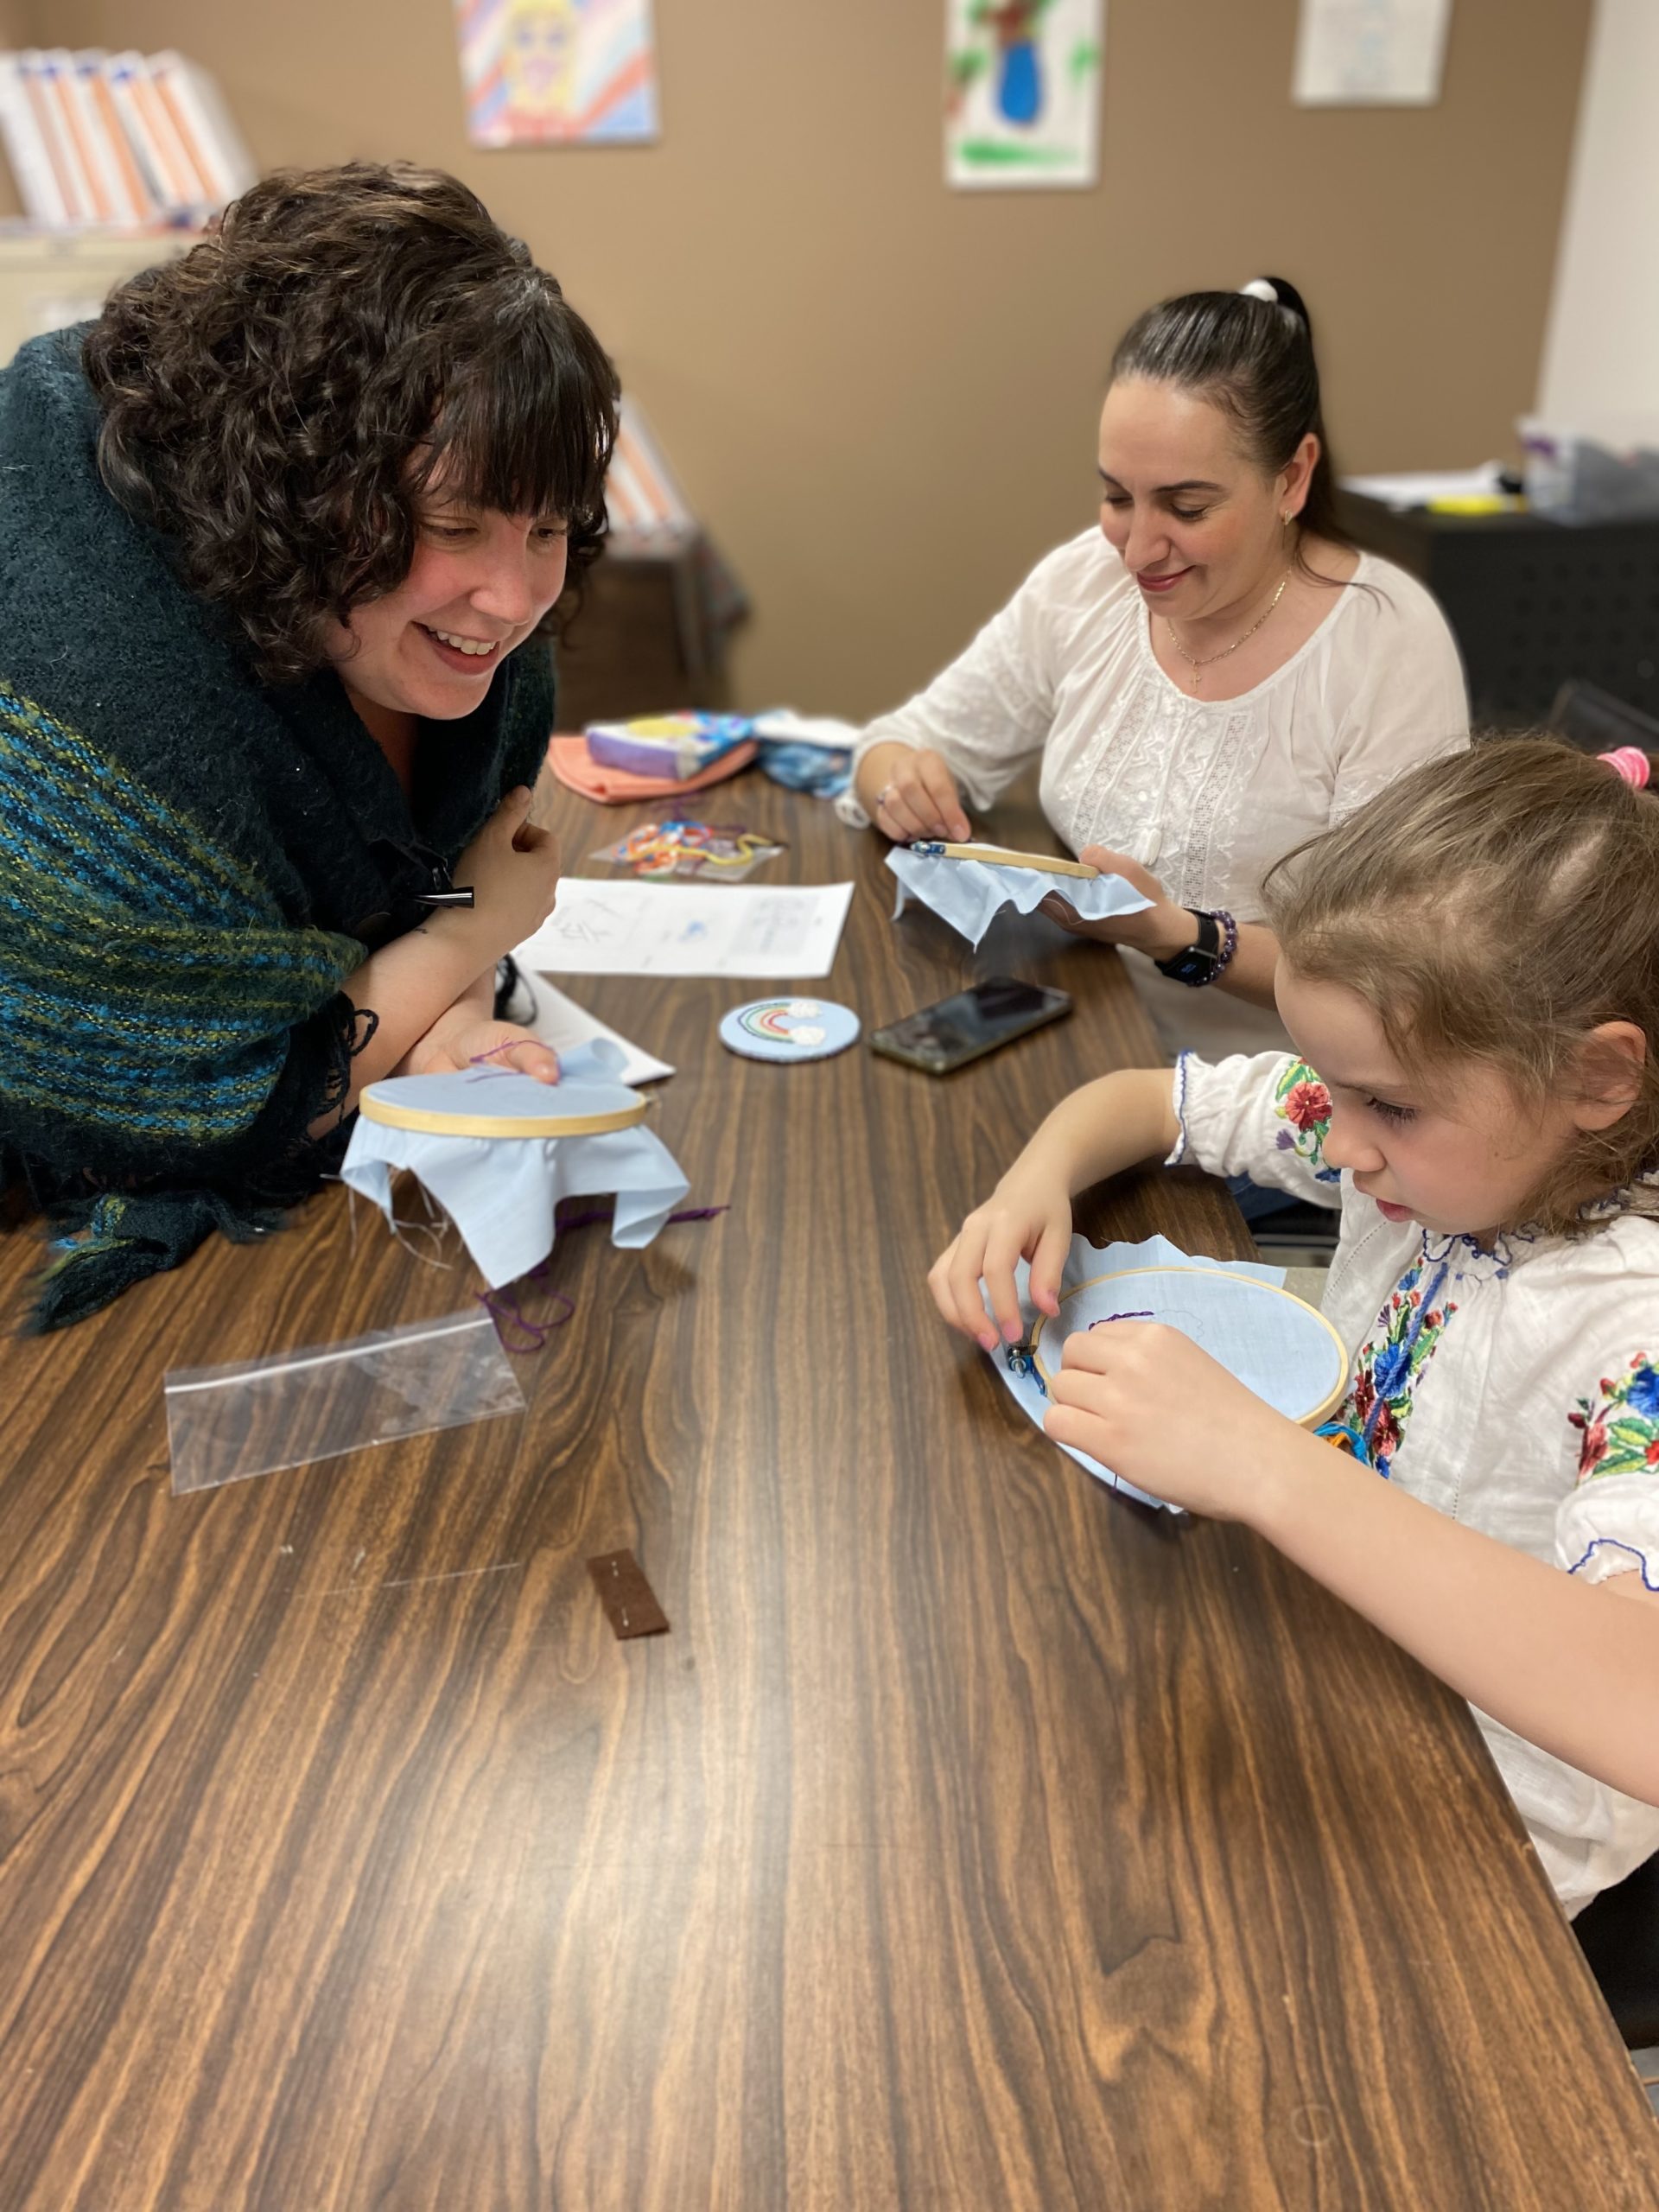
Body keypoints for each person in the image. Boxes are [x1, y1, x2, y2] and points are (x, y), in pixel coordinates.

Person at [929, 740, 1659, 1916]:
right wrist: (1034, 1186)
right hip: (1334, 1659)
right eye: (1335, 1084)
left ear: (1595, 1081)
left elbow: (1641, 1712)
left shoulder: (1636, 1333)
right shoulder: (1415, 1147)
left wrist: (1265, 1468)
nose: (1344, 1142)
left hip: (1486, 1836)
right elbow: (1151, 1101)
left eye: (1392, 1105)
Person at [0, 162, 619, 1327]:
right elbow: (196, 1101)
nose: (513, 597)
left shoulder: (466, 649)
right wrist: (475, 929)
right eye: (452, 526)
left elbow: (375, 934)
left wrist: (450, 1025)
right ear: (290, 490)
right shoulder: (100, 698)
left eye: (547, 528)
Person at [849, 278, 1469, 1063]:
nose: (1137, 550)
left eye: (1186, 508)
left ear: (1292, 477)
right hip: (1080, 1031)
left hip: (1287, 1111)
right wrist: (899, 779)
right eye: (1117, 496)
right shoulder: (1086, 583)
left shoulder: (1384, 642)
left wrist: (1178, 937)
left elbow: (1399, 981)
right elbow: (896, 741)